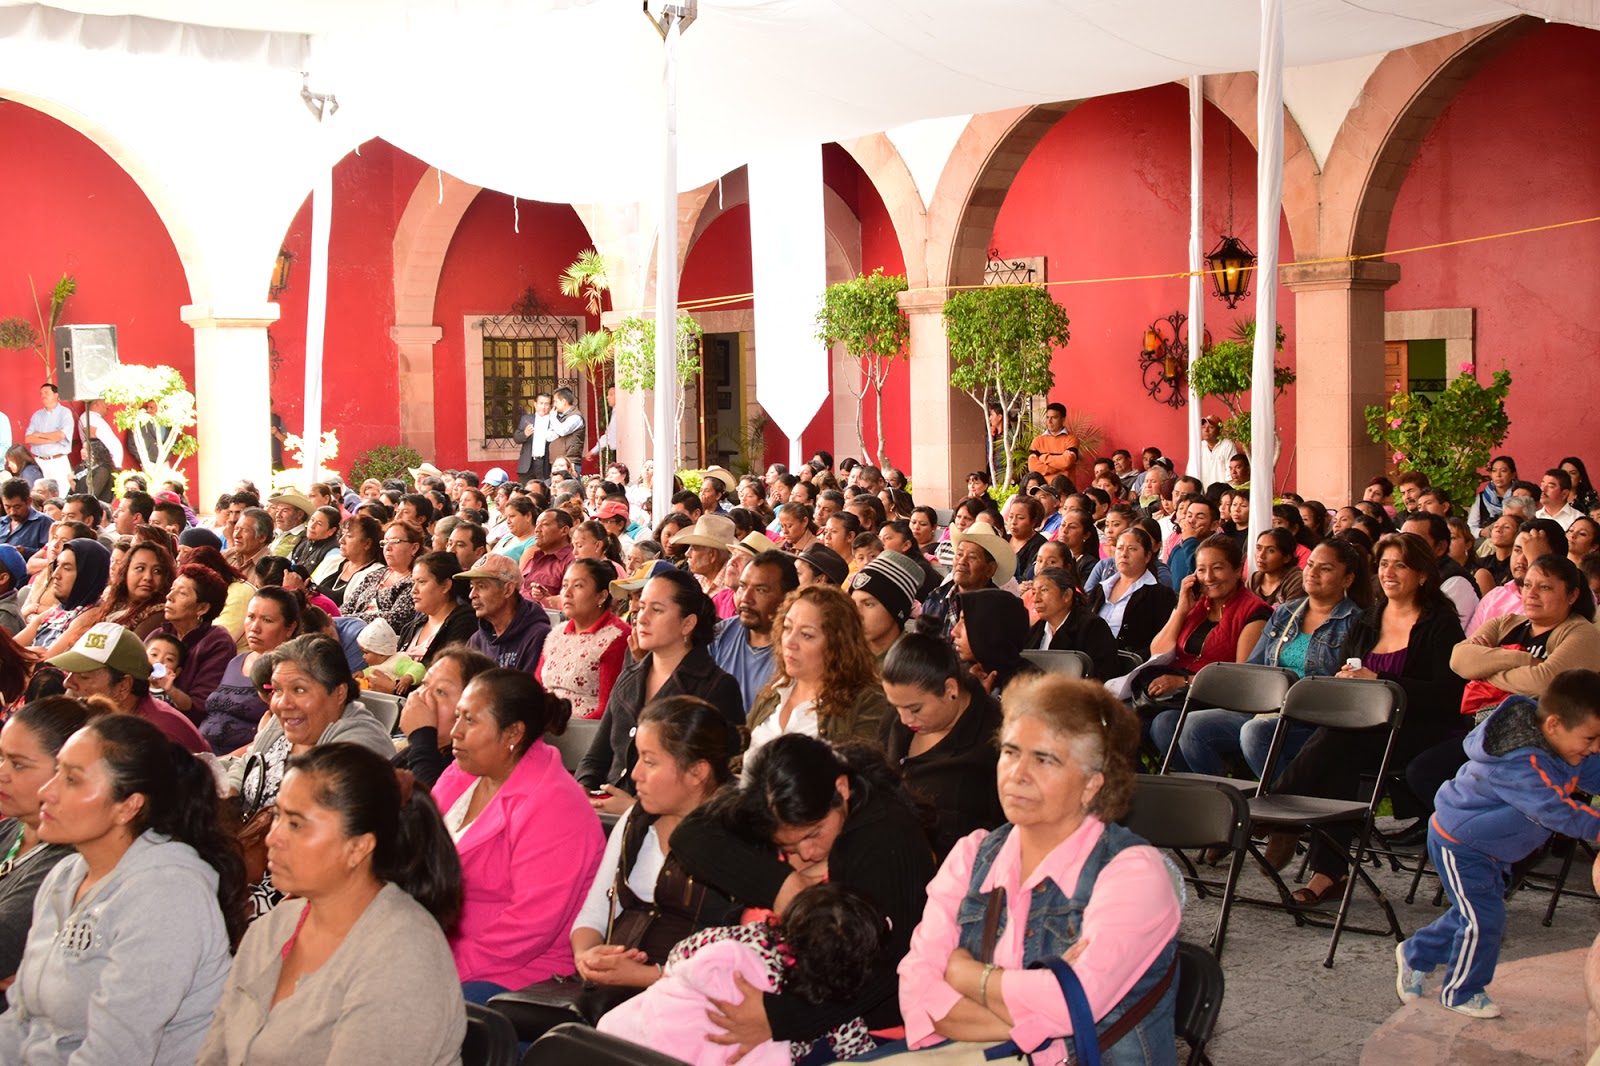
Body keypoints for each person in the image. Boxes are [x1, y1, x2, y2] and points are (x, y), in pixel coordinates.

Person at [895, 675, 1180, 1064]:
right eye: (1010, 752)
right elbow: (916, 988)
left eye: (1044, 759)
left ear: (1091, 784)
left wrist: (966, 977)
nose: (1018, 774)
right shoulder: (973, 854)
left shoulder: (1132, 873)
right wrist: (1039, 1018)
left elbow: (1070, 1006)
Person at [197, 744, 467, 1064]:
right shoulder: (274, 927)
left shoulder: (404, 952)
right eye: (278, 816)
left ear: (358, 847)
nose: (272, 837)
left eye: (296, 824)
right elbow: (215, 1053)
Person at [671, 734, 936, 1057]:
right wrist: (783, 888)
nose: (807, 853)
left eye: (814, 834)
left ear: (842, 790)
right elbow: (690, 834)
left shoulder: (888, 836)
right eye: (788, 846)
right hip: (769, 993)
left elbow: (894, 963)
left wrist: (777, 1018)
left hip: (860, 1026)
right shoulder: (771, 800)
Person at [0, 715, 245, 1063]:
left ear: (128, 806)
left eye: (71, 780)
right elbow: (20, 1020)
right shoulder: (66, 875)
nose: (46, 792)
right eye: (56, 773)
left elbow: (114, 1054)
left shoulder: (168, 894)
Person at [505, 697, 741, 1038]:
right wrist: (588, 956)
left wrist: (650, 975)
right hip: (604, 995)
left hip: (686, 1012)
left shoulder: (743, 837)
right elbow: (594, 912)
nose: (635, 774)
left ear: (697, 772)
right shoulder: (636, 819)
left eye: (650, 761)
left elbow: (748, 959)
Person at [1261, 533, 1467, 902]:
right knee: (1341, 748)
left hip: (1423, 729)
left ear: (1422, 575)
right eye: (1384, 564)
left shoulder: (1441, 623)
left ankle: (1276, 806)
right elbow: (1354, 675)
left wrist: (1383, 681)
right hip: (1366, 729)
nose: (1389, 572)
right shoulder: (1369, 620)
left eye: (1400, 565)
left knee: (1341, 740)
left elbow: (1448, 695)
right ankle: (1328, 874)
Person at [1397, 669, 1600, 1020]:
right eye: (1591, 738)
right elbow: (1554, 810)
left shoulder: (1568, 745)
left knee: (1473, 912)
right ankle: (1462, 990)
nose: (1595, 747)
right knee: (1485, 920)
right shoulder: (1518, 762)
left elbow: (1595, 769)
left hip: (1495, 846)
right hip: (1460, 844)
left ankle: (1416, 952)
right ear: (1553, 725)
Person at [433, 668, 605, 1000]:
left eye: (470, 721)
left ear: (512, 733)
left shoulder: (556, 805)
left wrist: (435, 965)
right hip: (440, 944)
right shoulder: (463, 773)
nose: (455, 732)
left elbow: (529, 927)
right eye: (457, 717)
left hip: (515, 973)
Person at [597, 882, 891, 1065]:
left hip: (647, 1038)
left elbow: (682, 952)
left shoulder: (747, 937)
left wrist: (674, 978)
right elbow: (855, 1050)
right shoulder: (827, 992)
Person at [1404, 553, 1600, 823]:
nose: (1531, 594)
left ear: (1572, 595)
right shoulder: (1507, 622)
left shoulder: (1582, 633)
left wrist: (1486, 668)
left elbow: (1545, 681)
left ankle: (1501, 838)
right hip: (1482, 733)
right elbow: (1458, 660)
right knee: (1423, 772)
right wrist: (1519, 659)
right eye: (1527, 585)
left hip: (1538, 743)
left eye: (1545, 587)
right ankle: (1472, 831)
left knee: (1473, 781)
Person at [229, 635, 397, 913]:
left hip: (294, 895)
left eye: (299, 690)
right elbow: (247, 762)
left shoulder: (358, 748)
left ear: (339, 692)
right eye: (277, 690)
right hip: (245, 863)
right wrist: (230, 792)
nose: (282, 703)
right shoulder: (286, 724)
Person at [1184, 539, 1371, 780]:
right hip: (1266, 708)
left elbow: (1344, 686)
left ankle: (1284, 802)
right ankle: (1229, 800)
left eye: (1325, 569)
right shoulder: (1286, 612)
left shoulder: (1356, 622)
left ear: (1347, 579)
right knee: (1193, 726)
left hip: (1311, 718)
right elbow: (1255, 667)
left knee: (1255, 732)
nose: (1312, 573)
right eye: (1310, 565)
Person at [578, 569, 743, 813]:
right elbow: (596, 757)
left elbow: (715, 788)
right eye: (641, 607)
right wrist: (582, 790)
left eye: (656, 610)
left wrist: (635, 809)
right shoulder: (630, 676)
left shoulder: (716, 687)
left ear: (687, 623)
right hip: (606, 810)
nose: (641, 619)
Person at [0, 697, 100, 993]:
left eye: (18, 765)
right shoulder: (11, 828)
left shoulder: (72, 859)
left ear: (67, 773)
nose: (2, 773)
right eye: (1, 758)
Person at [880, 631, 1004, 859]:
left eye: (915, 709)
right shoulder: (896, 722)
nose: (905, 719)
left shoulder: (997, 739)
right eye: (895, 706)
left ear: (950, 690)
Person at [745, 584, 890, 772]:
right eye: (787, 628)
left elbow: (860, 781)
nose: (789, 642)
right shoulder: (773, 691)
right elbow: (737, 761)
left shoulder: (867, 701)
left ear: (837, 645)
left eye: (806, 635)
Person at [1140, 534, 1270, 737]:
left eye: (1217, 568)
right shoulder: (1197, 603)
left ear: (1237, 570)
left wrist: (1184, 682)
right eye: (1201, 570)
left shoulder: (1254, 612)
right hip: (1177, 694)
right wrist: (1181, 610)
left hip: (1216, 696)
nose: (1208, 578)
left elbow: (1241, 676)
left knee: (1164, 724)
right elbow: (1157, 650)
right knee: (1120, 717)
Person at [198, 587, 300, 753]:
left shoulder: (289, 671)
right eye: (251, 617)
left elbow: (275, 736)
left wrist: (220, 764)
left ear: (290, 628)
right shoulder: (235, 662)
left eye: (267, 620)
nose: (255, 627)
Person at [537, 557, 631, 719]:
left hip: (585, 735)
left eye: (578, 585)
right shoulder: (557, 634)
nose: (567, 593)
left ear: (601, 596)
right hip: (546, 728)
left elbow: (607, 710)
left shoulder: (617, 637)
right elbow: (536, 690)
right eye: (565, 585)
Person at [710, 551, 798, 714]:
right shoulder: (721, 633)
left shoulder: (796, 652)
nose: (746, 598)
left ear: (787, 599)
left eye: (761, 590)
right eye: (743, 586)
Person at [151, 563, 237, 724]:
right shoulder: (159, 635)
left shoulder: (217, 642)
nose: (170, 597)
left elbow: (201, 707)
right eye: (172, 589)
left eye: (182, 593)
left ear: (202, 608)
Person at [1086, 527, 1178, 661]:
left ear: (1147, 556)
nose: (1124, 554)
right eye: (1120, 548)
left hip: (1131, 667)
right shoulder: (1101, 588)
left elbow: (1162, 641)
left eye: (1132, 549)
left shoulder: (1160, 595)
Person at [16, 536, 111, 658]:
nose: (55, 574)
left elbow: (47, 660)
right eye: (57, 565)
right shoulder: (53, 612)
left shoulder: (91, 615)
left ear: (87, 575)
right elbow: (11, 648)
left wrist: (25, 653)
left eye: (66, 568)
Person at [1025, 565, 1119, 680]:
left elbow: (1101, 677)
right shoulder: (1037, 628)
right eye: (1034, 592)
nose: (1036, 599)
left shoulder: (1092, 627)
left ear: (1067, 595)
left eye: (1044, 590)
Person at [346, 519, 424, 633]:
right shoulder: (375, 575)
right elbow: (347, 606)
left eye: (395, 541)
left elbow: (396, 618)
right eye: (385, 542)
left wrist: (351, 620)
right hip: (351, 631)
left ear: (414, 548)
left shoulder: (416, 581)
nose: (387, 548)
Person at [100, 539, 174, 638]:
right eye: (140, 568)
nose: (148, 577)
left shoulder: (160, 615)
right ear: (126, 571)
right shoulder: (111, 605)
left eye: (157, 571)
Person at [317, 515, 385, 611]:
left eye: (349, 536)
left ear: (367, 543)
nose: (341, 541)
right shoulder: (332, 561)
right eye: (342, 534)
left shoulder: (376, 573)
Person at [23, 383, 73, 490]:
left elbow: (60, 436)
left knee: (62, 493)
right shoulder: (37, 415)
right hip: (39, 462)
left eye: (46, 393)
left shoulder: (65, 413)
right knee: (42, 496)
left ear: (56, 395)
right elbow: (28, 438)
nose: (43, 396)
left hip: (57, 461)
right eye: (41, 394)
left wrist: (39, 435)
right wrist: (50, 437)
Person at [1249, 527, 1305, 606]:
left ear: (1286, 558)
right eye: (1259, 548)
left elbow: (1288, 615)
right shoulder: (1254, 580)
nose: (1261, 555)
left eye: (1271, 551)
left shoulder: (1296, 581)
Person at [1025, 402, 1078, 483]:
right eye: (1047, 417)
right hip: (1042, 489)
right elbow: (1032, 466)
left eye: (1054, 418)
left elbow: (1067, 462)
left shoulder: (1071, 439)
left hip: (1064, 489)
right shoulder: (1038, 440)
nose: (1049, 421)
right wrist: (1053, 468)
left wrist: (1043, 457)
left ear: (1063, 419)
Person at [513, 391, 555, 482]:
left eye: (546, 404)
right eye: (541, 403)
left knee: (546, 491)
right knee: (524, 492)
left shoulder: (554, 420)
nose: (543, 407)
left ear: (550, 406)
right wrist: (525, 434)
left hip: (546, 463)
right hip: (528, 463)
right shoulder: (526, 419)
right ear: (535, 404)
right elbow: (516, 438)